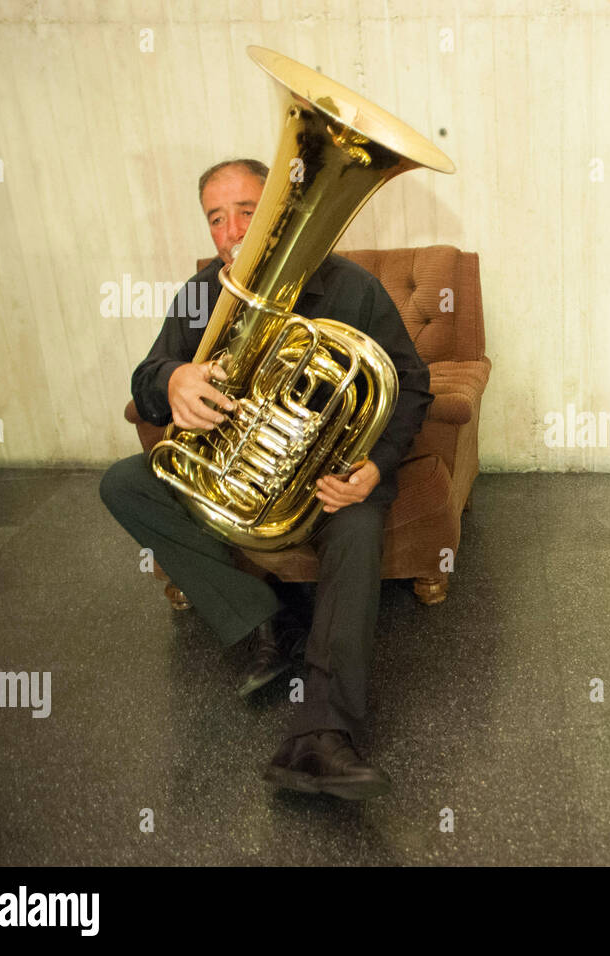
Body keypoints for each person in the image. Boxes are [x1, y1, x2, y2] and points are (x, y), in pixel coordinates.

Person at [100, 158, 433, 798]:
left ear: (280, 213)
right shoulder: (201, 295)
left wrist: (374, 467)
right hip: (238, 474)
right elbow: (146, 378)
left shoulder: (350, 287)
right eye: (216, 218)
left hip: (330, 478)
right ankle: (268, 619)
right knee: (123, 483)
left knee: (359, 529)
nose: (231, 231)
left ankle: (322, 736)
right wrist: (170, 379)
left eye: (248, 211)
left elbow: (412, 383)